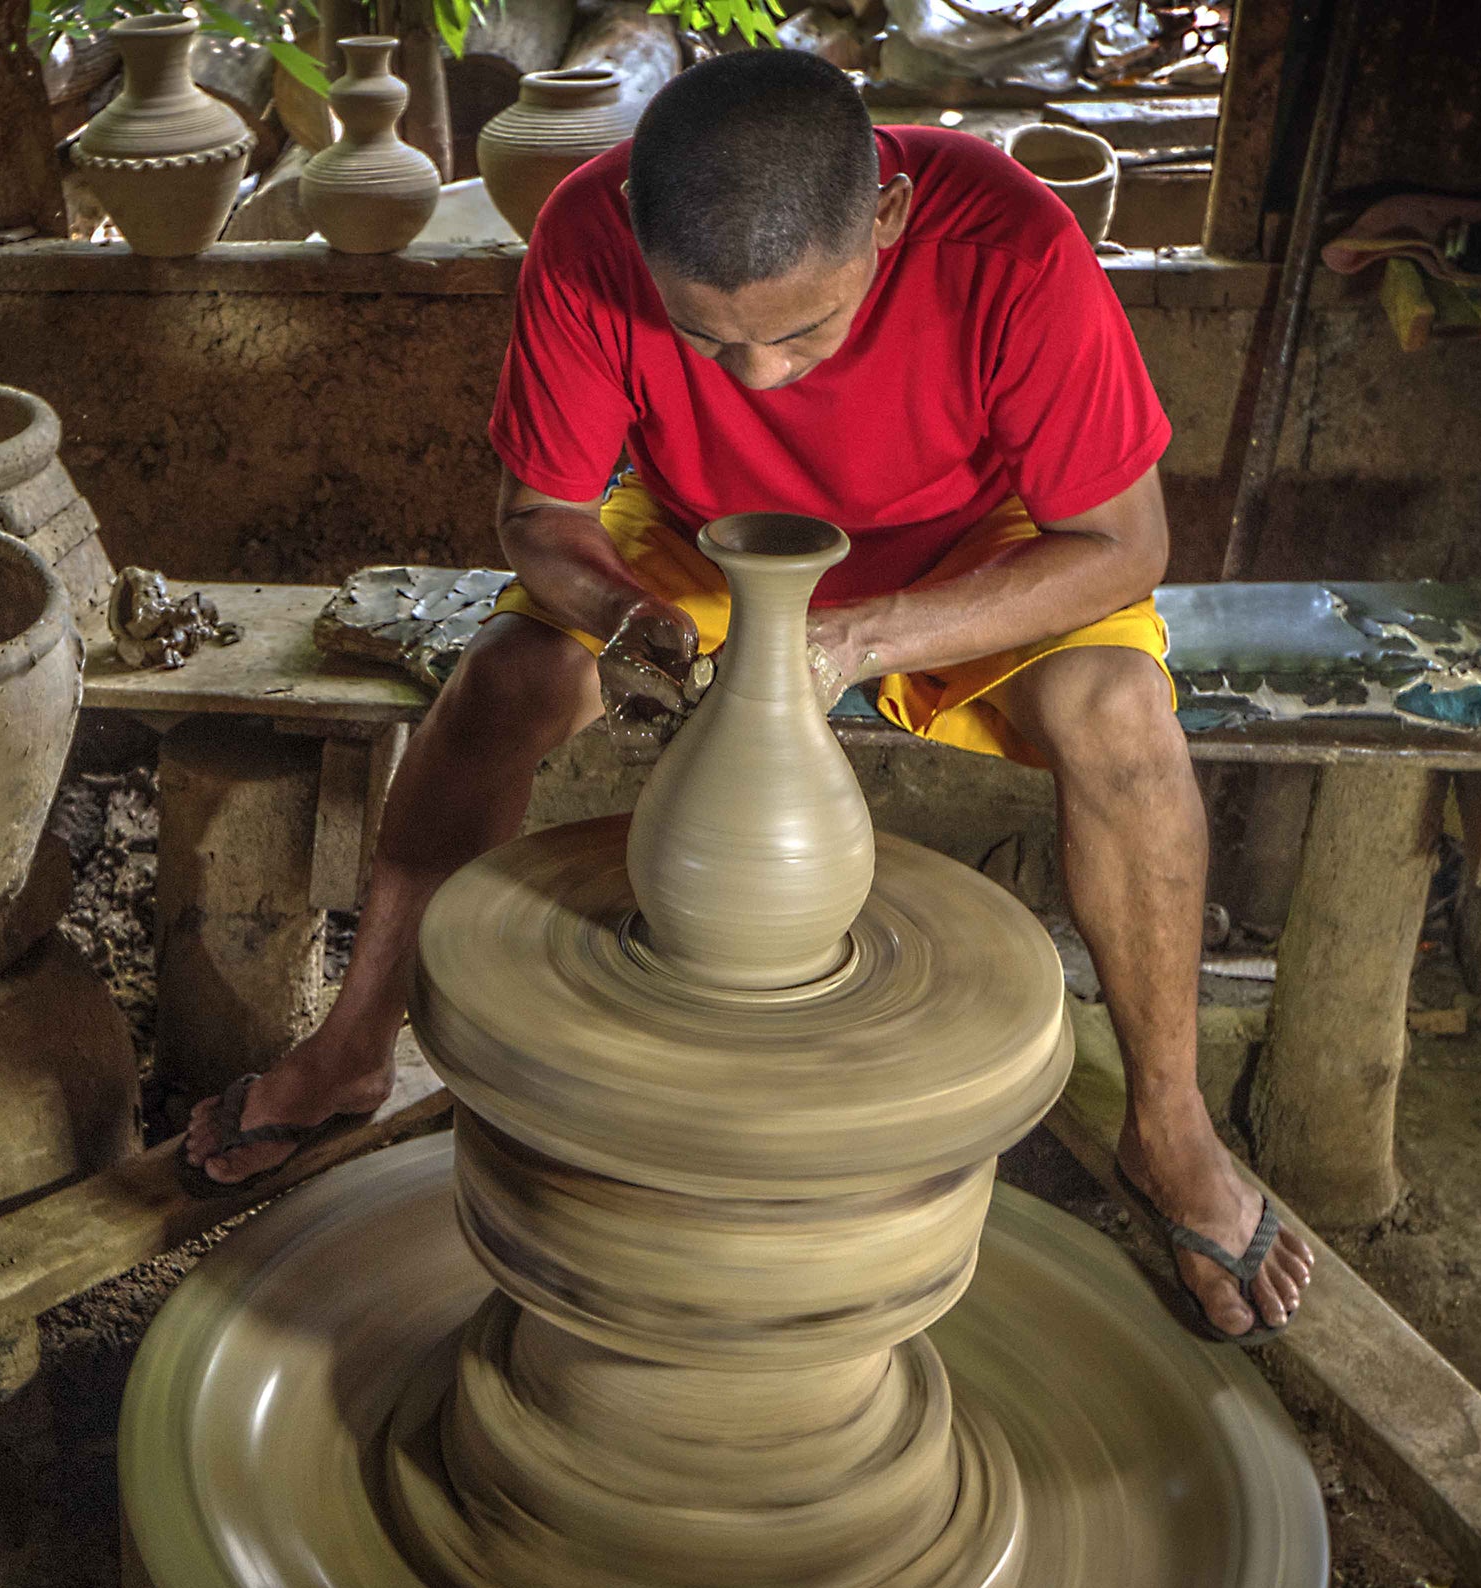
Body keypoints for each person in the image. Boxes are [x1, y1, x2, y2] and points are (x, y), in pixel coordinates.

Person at [182, 49, 1313, 1340]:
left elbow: (1125, 544)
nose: (762, 376)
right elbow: (540, 513)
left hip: (971, 548)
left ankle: (1170, 1129)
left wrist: (859, 636)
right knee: (505, 682)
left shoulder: (1012, 242)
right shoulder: (586, 234)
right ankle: (355, 1046)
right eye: (711, 340)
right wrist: (624, 615)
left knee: (1117, 715)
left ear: (885, 215)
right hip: (708, 540)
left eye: (805, 331)